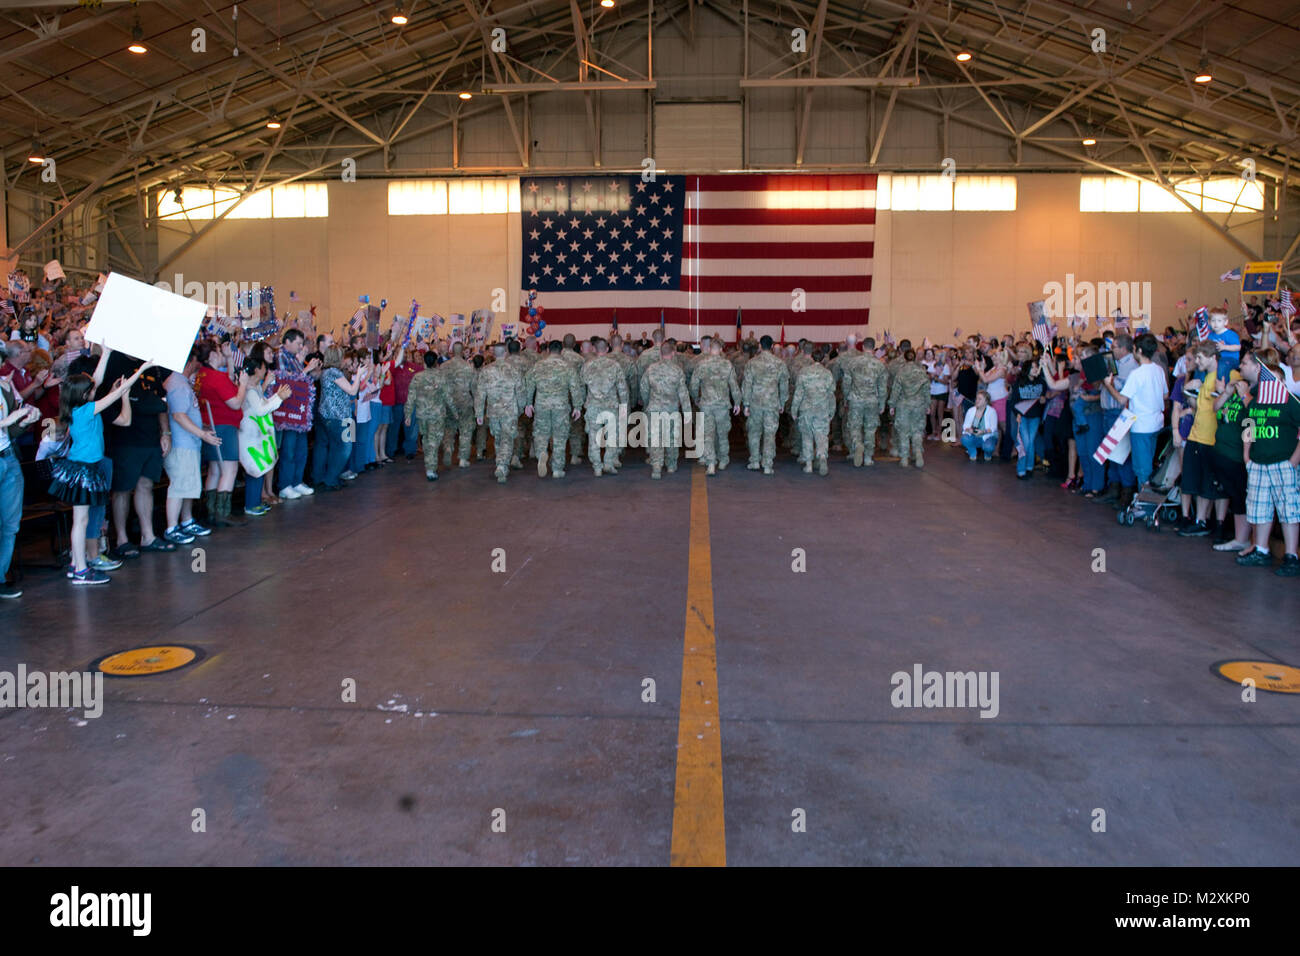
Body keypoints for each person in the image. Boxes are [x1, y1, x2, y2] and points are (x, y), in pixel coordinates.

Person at [49, 353, 154, 584]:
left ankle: (77, 565)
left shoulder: (78, 405)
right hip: (84, 469)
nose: (95, 388)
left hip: (83, 467)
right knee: (82, 521)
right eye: (91, 389)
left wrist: (105, 354)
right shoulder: (87, 410)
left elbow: (95, 380)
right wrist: (142, 369)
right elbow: (116, 393)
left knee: (82, 520)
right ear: (85, 394)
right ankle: (80, 569)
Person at [101, 350, 174, 556]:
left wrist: (165, 432)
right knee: (122, 488)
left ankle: (147, 536)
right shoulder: (114, 361)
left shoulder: (149, 363)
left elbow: (161, 401)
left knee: (146, 484)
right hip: (124, 436)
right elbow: (109, 396)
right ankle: (122, 539)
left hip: (150, 436)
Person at [1235, 349, 1300, 575]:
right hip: (1258, 462)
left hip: (1283, 462)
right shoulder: (1256, 403)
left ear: (1283, 381)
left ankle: (1291, 555)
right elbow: (1248, 428)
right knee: (1258, 508)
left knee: (1289, 509)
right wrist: (1246, 455)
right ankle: (1260, 549)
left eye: (1276, 380)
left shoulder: (1291, 403)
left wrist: (1294, 460)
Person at [162, 358, 219, 544]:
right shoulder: (177, 384)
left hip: (190, 442)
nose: (198, 366)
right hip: (181, 443)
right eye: (195, 363)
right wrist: (202, 433)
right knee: (179, 486)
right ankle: (171, 527)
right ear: (187, 364)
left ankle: (186, 520)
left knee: (189, 485)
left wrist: (201, 427)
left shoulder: (183, 383)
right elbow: (178, 415)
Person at [1101, 333, 1167, 494]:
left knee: (1141, 468)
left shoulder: (1137, 373)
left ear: (1137, 350)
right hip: (1156, 422)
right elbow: (1165, 395)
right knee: (1148, 463)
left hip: (1141, 425)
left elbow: (1122, 399)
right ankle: (1145, 500)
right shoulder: (1158, 370)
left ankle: (1144, 504)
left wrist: (1108, 385)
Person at [194, 339, 249, 527]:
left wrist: (229, 359)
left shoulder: (202, 375)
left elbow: (227, 382)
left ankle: (209, 510)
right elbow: (234, 402)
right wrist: (243, 385)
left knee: (215, 470)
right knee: (230, 469)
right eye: (219, 351)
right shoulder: (215, 377)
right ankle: (222, 512)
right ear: (212, 355)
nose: (221, 354)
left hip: (209, 425)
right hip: (224, 426)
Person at [1175, 342, 1225, 537]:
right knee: (1192, 480)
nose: (1196, 362)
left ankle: (1203, 521)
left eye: (1199, 358)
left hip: (1211, 438)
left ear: (1213, 357)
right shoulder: (1203, 378)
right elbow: (1198, 408)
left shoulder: (1224, 377)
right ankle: (1197, 520)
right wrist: (1188, 392)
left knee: (1208, 483)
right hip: (1196, 434)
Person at [0, 362, 41, 598]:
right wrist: (6, 421)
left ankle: (1, 577)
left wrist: (23, 422)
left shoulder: (4, 388)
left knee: (10, 524)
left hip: (8, 457)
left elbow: (10, 432)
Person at [239, 353, 293, 517]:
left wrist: (277, 396)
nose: (266, 370)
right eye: (263, 367)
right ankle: (251, 504)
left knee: (259, 469)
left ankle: (255, 501)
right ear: (256, 369)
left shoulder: (254, 388)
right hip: (249, 436)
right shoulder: (248, 389)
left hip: (257, 436)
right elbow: (260, 409)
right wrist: (279, 398)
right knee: (254, 469)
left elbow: (263, 404)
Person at [523, 340, 583, 479]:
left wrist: (528, 403)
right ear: (561, 350)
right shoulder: (568, 367)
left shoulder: (538, 366)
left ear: (549, 350)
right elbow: (575, 387)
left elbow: (529, 383)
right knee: (560, 437)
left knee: (541, 434)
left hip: (541, 405)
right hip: (561, 405)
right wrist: (577, 406)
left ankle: (541, 454)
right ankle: (557, 469)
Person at [273, 328, 319, 499]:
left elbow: (303, 381)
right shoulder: (281, 356)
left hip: (300, 411)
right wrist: (306, 371)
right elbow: (287, 380)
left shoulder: (295, 359)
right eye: (298, 343)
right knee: (289, 450)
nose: (301, 347)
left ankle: (297, 481)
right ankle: (285, 484)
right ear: (287, 342)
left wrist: (309, 370)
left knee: (301, 449)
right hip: (287, 411)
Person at [474, 342, 526, 483]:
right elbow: (521, 392)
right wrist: (521, 408)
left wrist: (479, 413)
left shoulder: (486, 371)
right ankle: (502, 465)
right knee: (507, 439)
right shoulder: (514, 370)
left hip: (493, 411)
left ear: (493, 353)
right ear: (506, 353)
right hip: (509, 411)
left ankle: (500, 463)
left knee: (498, 438)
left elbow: (480, 394)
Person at [317, 347, 367, 490]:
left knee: (338, 448)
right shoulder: (332, 372)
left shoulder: (333, 372)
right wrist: (359, 375)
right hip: (337, 417)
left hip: (344, 415)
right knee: (345, 448)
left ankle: (334, 477)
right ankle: (330, 478)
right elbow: (352, 390)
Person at [639, 342, 692, 480]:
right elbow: (683, 393)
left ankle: (656, 467)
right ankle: (671, 465)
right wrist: (687, 412)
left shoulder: (651, 369)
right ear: (673, 353)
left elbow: (644, 388)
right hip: (672, 409)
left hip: (655, 409)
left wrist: (647, 403)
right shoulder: (677, 370)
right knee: (672, 438)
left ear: (660, 354)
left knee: (656, 438)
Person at [689, 338, 741, 476]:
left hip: (706, 405)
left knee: (708, 435)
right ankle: (723, 460)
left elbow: (694, 385)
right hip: (723, 406)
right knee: (723, 434)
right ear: (721, 350)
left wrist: (696, 398)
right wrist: (737, 402)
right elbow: (734, 386)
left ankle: (711, 463)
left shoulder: (701, 364)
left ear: (709, 348)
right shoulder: (727, 364)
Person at [580, 339, 629, 477]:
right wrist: (624, 406)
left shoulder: (587, 365)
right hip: (611, 406)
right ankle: (608, 463)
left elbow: (581, 386)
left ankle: (597, 466)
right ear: (607, 349)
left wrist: (584, 403)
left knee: (594, 437)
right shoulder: (615, 366)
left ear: (594, 349)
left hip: (593, 406)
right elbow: (622, 388)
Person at [741, 335, 789, 475]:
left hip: (755, 404)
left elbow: (747, 385)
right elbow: (784, 385)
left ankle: (755, 461)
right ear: (772, 346)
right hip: (772, 404)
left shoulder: (752, 363)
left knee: (754, 433)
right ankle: (768, 465)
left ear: (760, 346)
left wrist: (746, 404)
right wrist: (782, 402)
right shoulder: (779, 363)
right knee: (770, 434)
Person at [405, 350, 456, 482]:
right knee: (433, 441)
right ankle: (431, 469)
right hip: (437, 415)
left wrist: (408, 414)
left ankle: (429, 465)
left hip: (422, 415)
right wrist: (455, 412)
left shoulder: (417, 377)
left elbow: (411, 397)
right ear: (435, 362)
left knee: (427, 440)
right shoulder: (441, 377)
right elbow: (448, 397)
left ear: (424, 362)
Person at [839, 337, 886, 467]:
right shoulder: (879, 364)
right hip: (872, 401)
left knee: (854, 426)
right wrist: (882, 404)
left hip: (855, 400)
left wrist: (846, 399)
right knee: (870, 429)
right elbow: (882, 387)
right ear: (873, 347)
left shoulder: (853, 363)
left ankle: (857, 444)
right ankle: (868, 458)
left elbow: (846, 383)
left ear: (863, 347)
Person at [790, 355, 835, 475]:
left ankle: (808, 465)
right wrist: (832, 410)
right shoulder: (827, 373)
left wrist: (794, 410)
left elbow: (798, 393)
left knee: (807, 436)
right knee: (821, 435)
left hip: (806, 410)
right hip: (822, 409)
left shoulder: (804, 372)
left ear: (812, 359)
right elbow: (831, 395)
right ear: (821, 359)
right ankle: (822, 457)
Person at [889, 349, 931, 468]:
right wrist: (928, 405)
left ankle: (904, 458)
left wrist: (892, 405)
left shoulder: (901, 371)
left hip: (903, 405)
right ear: (914, 358)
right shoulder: (921, 371)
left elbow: (896, 390)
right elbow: (926, 389)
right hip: (919, 405)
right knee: (917, 431)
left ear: (905, 358)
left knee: (903, 431)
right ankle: (918, 453)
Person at [961, 390, 999, 461]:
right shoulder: (971, 410)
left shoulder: (992, 411)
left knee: (989, 447)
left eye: (980, 399)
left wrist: (983, 432)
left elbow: (993, 428)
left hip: (987, 437)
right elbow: (965, 426)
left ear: (986, 401)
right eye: (976, 398)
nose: (977, 401)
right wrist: (969, 430)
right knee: (964, 438)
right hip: (975, 436)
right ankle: (972, 452)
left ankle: (988, 453)